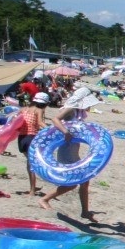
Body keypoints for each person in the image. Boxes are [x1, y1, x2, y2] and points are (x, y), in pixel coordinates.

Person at [38, 89, 101, 218]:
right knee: (72, 183)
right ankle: (44, 199)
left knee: (85, 181)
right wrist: (65, 132)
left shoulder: (78, 111)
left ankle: (85, 212)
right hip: (66, 150)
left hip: (73, 150)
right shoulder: (71, 109)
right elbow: (55, 119)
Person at [17, 91, 50, 197]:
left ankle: (33, 187)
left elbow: (16, 122)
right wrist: (51, 129)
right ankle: (32, 190)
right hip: (31, 138)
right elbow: (40, 123)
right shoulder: (39, 110)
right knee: (31, 165)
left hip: (21, 139)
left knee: (29, 163)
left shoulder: (23, 109)